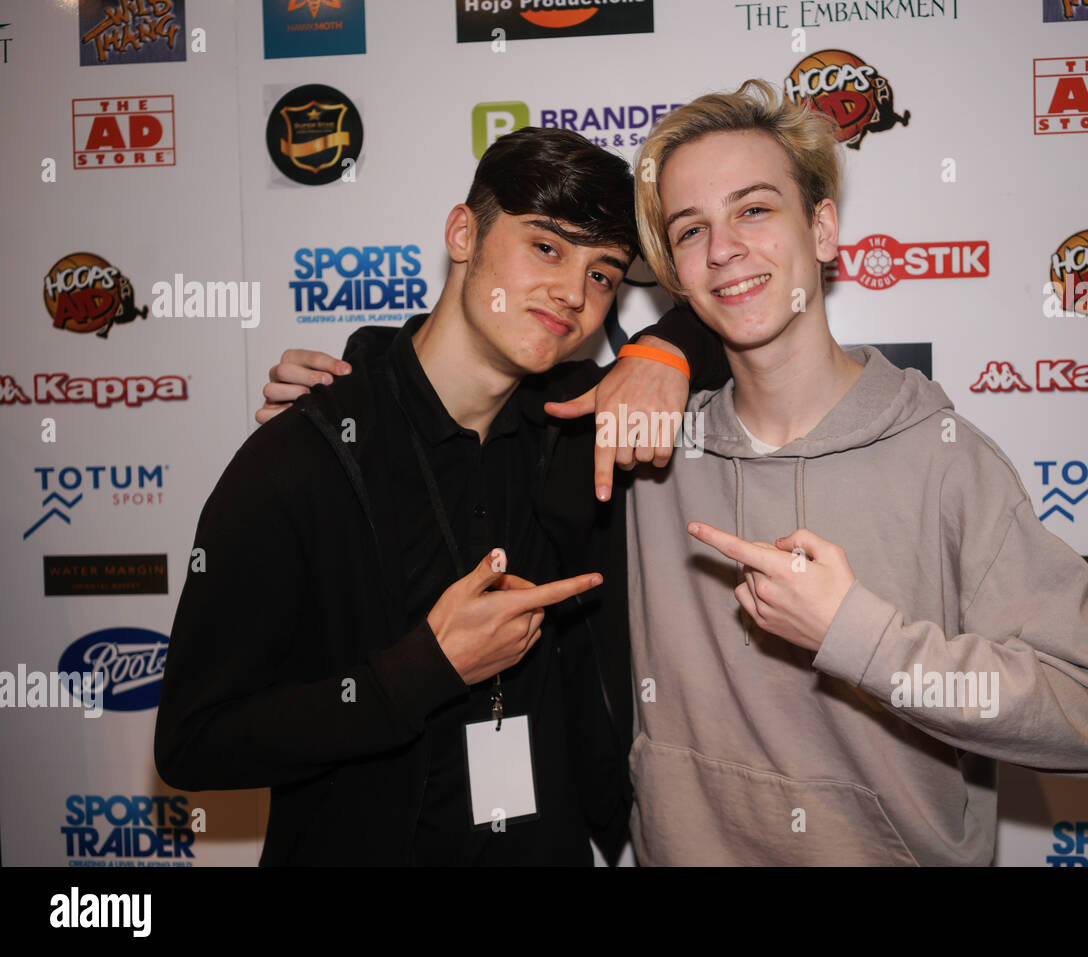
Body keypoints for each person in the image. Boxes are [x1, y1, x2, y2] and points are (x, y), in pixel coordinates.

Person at [154, 126, 723, 865]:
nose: (571, 293)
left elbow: (753, 321)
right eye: (545, 247)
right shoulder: (304, 457)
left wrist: (666, 348)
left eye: (603, 275)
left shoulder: (581, 426)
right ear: (463, 233)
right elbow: (194, 742)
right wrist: (420, 670)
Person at [621, 79, 1088, 864]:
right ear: (673, 271)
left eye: (754, 210)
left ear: (823, 227)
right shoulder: (645, 452)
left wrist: (860, 637)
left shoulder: (945, 460)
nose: (724, 248)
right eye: (691, 229)